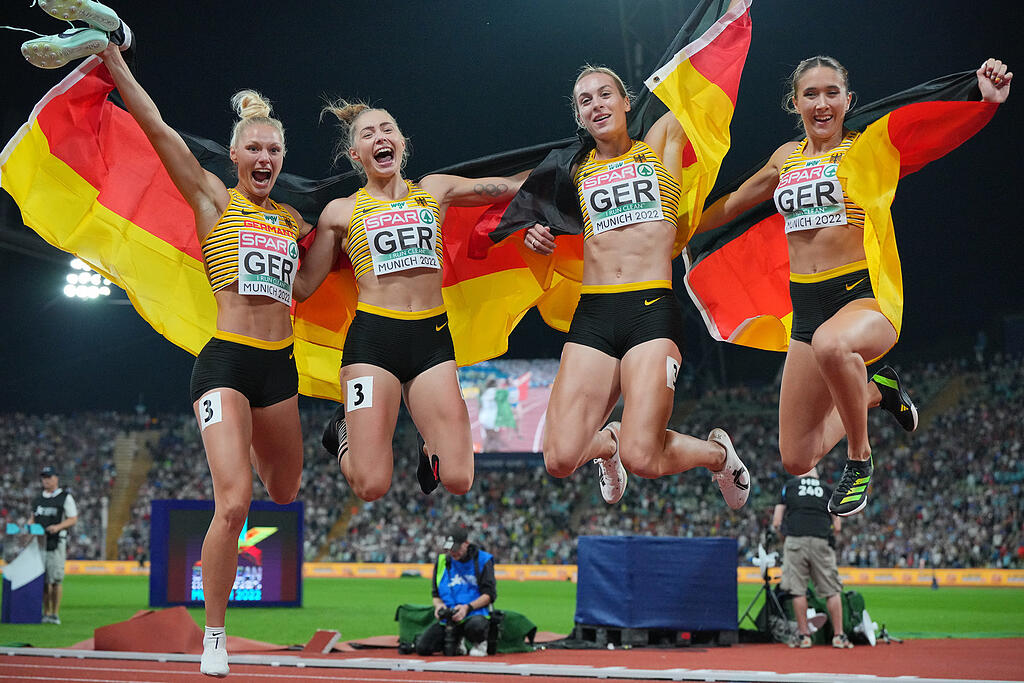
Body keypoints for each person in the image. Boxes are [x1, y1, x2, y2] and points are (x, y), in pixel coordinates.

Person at [93, 23, 316, 678]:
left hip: (280, 370)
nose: (266, 156)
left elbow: (305, 283)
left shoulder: (292, 221)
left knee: (284, 489)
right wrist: (113, 63)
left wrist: (329, 241)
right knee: (235, 501)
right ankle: (213, 635)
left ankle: (251, 439)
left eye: (275, 148)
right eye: (255, 147)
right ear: (237, 154)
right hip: (224, 362)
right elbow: (158, 127)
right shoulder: (211, 198)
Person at [697, 56, 1012, 515]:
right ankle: (876, 391)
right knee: (796, 457)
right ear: (795, 103)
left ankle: (859, 459)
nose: (821, 103)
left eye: (831, 93)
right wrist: (670, 231)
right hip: (805, 308)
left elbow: (932, 130)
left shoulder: (868, 146)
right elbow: (730, 206)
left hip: (863, 299)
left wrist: (981, 100)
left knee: (831, 343)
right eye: (810, 94)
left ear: (848, 100)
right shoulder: (785, 158)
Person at [523, 65, 749, 509]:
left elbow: (707, 82)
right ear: (579, 117)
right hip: (594, 315)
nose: (597, 104)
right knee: (560, 457)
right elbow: (520, 201)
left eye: (605, 94)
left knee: (643, 455)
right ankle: (607, 445)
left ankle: (719, 455)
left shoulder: (661, 143)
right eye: (585, 101)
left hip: (650, 312)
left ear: (627, 103)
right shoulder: (573, 169)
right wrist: (536, 237)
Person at [297, 101, 526, 501]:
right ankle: (343, 430)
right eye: (367, 134)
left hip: (430, 341)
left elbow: (511, 186)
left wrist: (574, 166)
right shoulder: (340, 213)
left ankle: (429, 448)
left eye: (387, 129)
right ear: (356, 155)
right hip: (372, 345)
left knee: (458, 478)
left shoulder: (436, 190)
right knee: (371, 485)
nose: (379, 137)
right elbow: (302, 287)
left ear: (402, 143)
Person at [771, 466, 852, 649]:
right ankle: (839, 636)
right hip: (820, 540)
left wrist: (786, 538)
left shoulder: (789, 486)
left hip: (795, 540)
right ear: (817, 474)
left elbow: (777, 522)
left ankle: (804, 636)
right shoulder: (827, 489)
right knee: (832, 590)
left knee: (797, 590)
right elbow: (837, 526)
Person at [415, 527, 497, 657]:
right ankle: (458, 641)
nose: (453, 553)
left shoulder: (483, 560)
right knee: (423, 647)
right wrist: (439, 606)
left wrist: (467, 608)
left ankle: (480, 643)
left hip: (474, 613)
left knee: (476, 626)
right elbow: (436, 594)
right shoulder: (442, 561)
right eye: (450, 549)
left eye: (456, 549)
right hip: (450, 616)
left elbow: (489, 595)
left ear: (466, 544)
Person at [29, 467, 78, 625]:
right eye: (44, 477)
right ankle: (46, 612)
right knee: (43, 581)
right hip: (39, 543)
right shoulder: (38, 499)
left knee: (55, 579)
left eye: (49, 477)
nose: (46, 480)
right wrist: (29, 527)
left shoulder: (65, 497)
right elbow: (32, 518)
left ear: (56, 478)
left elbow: (73, 518)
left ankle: (55, 614)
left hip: (56, 541)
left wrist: (58, 527)